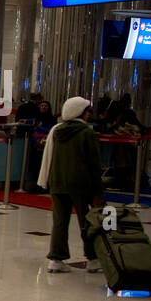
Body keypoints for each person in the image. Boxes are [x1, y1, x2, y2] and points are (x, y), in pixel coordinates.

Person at [37, 96, 102, 273]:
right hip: (81, 184)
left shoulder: (57, 131)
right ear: (80, 112)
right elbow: (94, 164)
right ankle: (93, 258)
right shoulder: (87, 133)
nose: (89, 115)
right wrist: (98, 191)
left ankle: (56, 259)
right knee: (87, 222)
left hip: (57, 182)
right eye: (88, 111)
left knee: (59, 222)